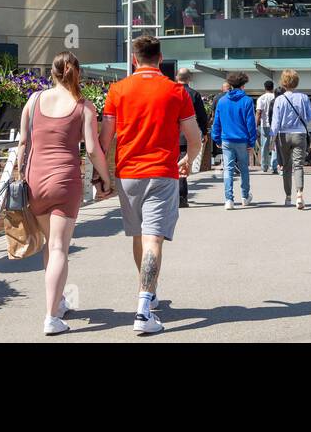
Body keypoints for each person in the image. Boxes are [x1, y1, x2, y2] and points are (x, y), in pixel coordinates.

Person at [100, 35, 203, 335]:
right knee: (153, 240)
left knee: (138, 236)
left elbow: (105, 138)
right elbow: (195, 138)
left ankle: (150, 292)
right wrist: (188, 159)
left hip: (127, 173)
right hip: (161, 172)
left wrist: (100, 175)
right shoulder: (175, 91)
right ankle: (144, 309)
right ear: (160, 59)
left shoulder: (118, 90)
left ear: (134, 60)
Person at [20, 50, 112, 337]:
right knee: (60, 246)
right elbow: (93, 149)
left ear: (52, 73)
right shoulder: (83, 106)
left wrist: (21, 177)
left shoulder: (33, 101)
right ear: (78, 74)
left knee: (51, 243)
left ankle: (58, 303)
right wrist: (105, 179)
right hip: (65, 180)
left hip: (34, 180)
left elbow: (23, 143)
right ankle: (50, 317)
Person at [270, 69, 311, 209]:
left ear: (283, 82)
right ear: (296, 81)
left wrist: (272, 139)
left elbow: (275, 122)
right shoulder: (304, 97)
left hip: (283, 135)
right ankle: (299, 193)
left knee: (286, 166)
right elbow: (310, 118)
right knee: (299, 165)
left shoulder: (279, 99)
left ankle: (288, 196)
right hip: (299, 134)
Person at [211, 72, 257, 209]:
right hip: (242, 140)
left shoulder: (222, 101)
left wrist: (216, 138)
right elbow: (251, 124)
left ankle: (228, 199)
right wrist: (251, 142)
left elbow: (216, 122)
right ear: (243, 85)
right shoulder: (247, 101)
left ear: (230, 85)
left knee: (228, 169)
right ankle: (245, 196)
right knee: (244, 169)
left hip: (226, 139)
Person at [175, 69, 210, 208]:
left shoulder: (169, 91)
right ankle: (182, 198)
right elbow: (202, 116)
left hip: (170, 135)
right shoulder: (194, 94)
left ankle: (169, 197)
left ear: (177, 77)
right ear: (189, 78)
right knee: (183, 165)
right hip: (187, 135)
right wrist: (204, 132)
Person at [256, 80, 277, 174]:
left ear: (265, 88)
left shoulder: (261, 98)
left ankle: (264, 166)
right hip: (275, 125)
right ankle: (274, 166)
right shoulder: (277, 97)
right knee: (275, 146)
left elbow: (259, 112)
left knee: (264, 146)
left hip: (264, 125)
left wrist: (256, 125)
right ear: (273, 87)